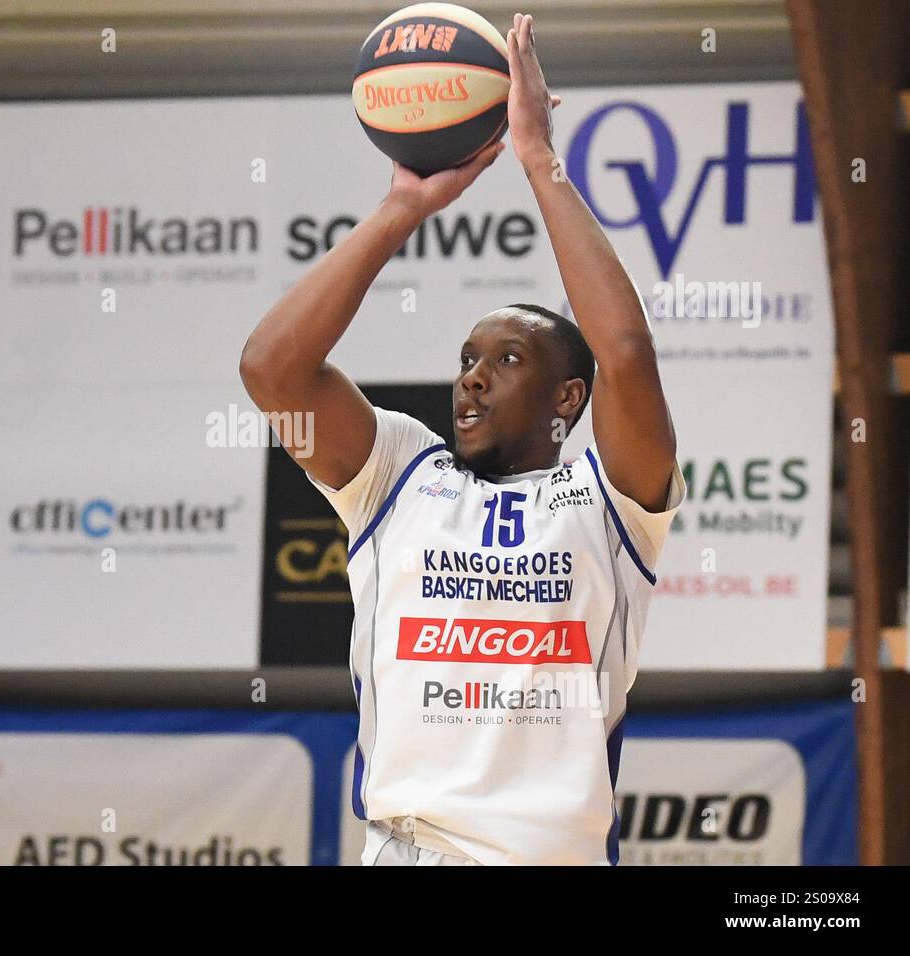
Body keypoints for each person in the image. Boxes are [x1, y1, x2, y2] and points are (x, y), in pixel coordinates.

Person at [239, 13, 685, 865]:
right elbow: (272, 370)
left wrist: (540, 163)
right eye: (467, 358)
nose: (471, 377)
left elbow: (626, 353)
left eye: (506, 359)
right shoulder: (401, 473)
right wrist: (403, 205)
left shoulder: (610, 501)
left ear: (568, 397)